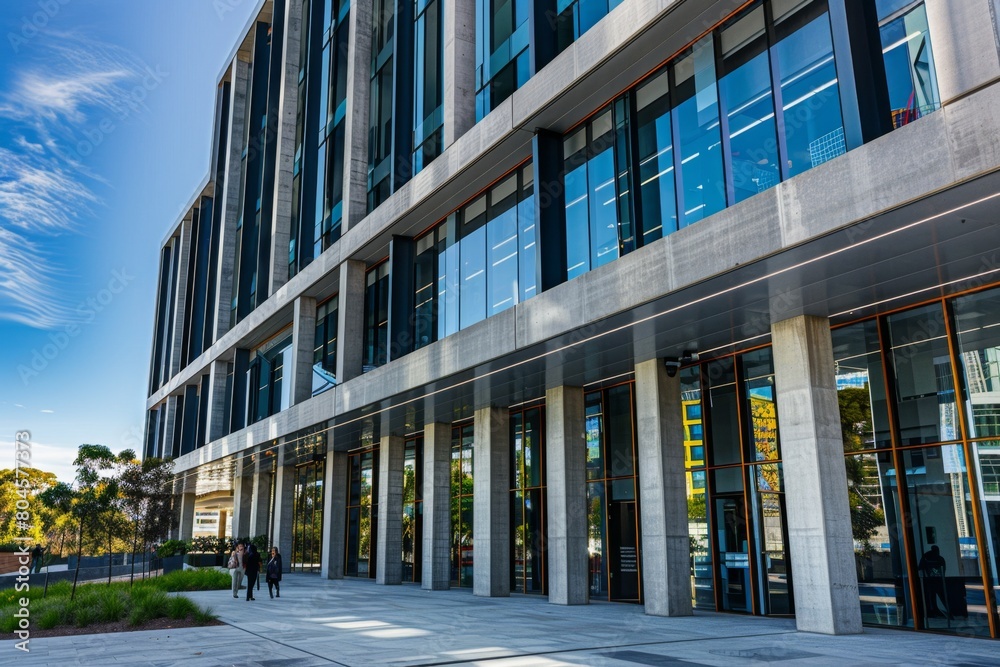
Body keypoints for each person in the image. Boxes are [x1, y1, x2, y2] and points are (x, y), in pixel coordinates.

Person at [918, 545, 948, 618]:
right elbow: (943, 570)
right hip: (938, 580)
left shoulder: (926, 557)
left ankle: (933, 611)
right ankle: (943, 611)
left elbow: (920, 568)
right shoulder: (940, 559)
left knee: (931, 597)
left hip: (930, 580)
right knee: (941, 596)